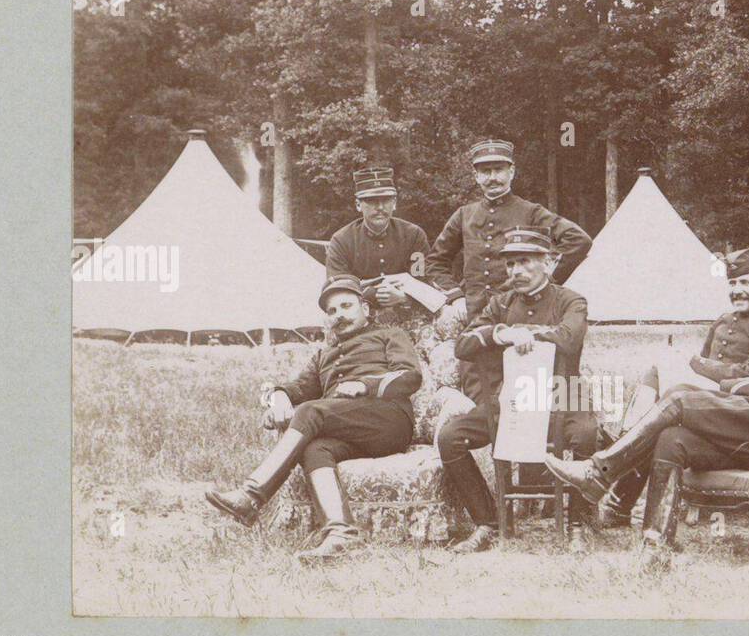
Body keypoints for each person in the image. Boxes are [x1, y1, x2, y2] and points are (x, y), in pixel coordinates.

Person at [545, 252, 749, 565]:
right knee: (672, 437)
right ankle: (656, 544)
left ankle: (599, 473)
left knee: (680, 398)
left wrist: (731, 386)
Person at [205, 275, 423, 561]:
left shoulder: (390, 334)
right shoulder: (324, 355)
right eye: (332, 311)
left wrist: (366, 385)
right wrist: (279, 394)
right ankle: (342, 535)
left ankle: (251, 495)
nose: (339, 315)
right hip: (349, 430)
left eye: (346, 306)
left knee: (310, 411)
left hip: (389, 422)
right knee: (314, 448)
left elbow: (410, 375)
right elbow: (299, 387)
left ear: (366, 309)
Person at [597, 248, 749, 528]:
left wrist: (696, 364)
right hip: (705, 403)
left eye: (745, 283)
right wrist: (695, 366)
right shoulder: (723, 321)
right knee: (657, 384)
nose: (737, 291)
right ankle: (629, 444)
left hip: (736, 410)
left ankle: (620, 470)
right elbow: (701, 365)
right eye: (733, 284)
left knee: (659, 416)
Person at [437, 228, 597, 553]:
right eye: (510, 265)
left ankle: (579, 522)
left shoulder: (572, 300)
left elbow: (569, 338)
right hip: (514, 402)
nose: (516, 272)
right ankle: (488, 520)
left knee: (587, 435)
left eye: (524, 262)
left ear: (549, 264)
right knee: (450, 436)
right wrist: (499, 333)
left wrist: (526, 332)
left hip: (563, 395)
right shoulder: (500, 303)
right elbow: (463, 345)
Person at [429, 139, 592, 398]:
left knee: (530, 398)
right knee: (482, 402)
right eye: (485, 171)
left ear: (511, 171)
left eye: (498, 170)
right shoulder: (464, 215)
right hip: (478, 322)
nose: (492, 177)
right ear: (475, 175)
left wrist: (543, 277)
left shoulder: (531, 212)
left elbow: (578, 240)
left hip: (525, 322)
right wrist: (455, 296)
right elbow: (435, 261)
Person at [325, 167, 432, 320]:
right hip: (359, 319)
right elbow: (338, 288)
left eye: (386, 200)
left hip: (408, 314)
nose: (380, 207)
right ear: (358, 204)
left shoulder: (414, 235)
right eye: (371, 201)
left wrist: (403, 297)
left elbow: (422, 277)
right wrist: (375, 294)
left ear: (394, 203)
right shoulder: (341, 240)